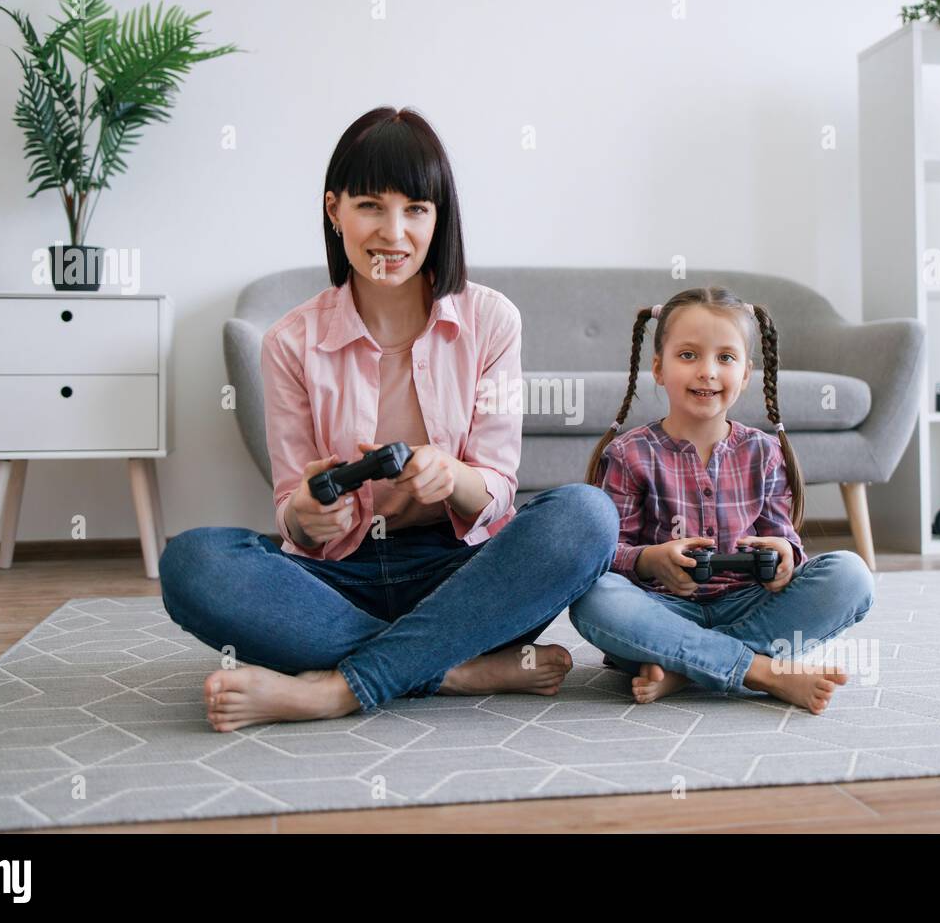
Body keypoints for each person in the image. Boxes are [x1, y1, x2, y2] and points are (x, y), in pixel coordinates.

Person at [159, 107, 619, 730]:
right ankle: (453, 668)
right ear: (334, 211)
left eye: (416, 209)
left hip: (462, 576)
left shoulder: (492, 321)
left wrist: (452, 476)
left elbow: (498, 486)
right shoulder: (290, 342)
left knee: (586, 516)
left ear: (439, 217)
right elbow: (292, 514)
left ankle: (338, 689)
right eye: (371, 206)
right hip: (338, 580)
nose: (393, 233)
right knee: (193, 563)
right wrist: (310, 513)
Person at [570, 286, 876, 714]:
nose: (708, 372)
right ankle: (760, 671)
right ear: (658, 368)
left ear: (746, 374)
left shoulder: (764, 451)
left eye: (725, 358)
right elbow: (609, 552)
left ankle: (687, 666)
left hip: (747, 605)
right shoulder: (629, 453)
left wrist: (784, 556)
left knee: (851, 575)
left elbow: (785, 541)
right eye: (688, 355)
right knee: (594, 598)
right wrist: (651, 559)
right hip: (663, 612)